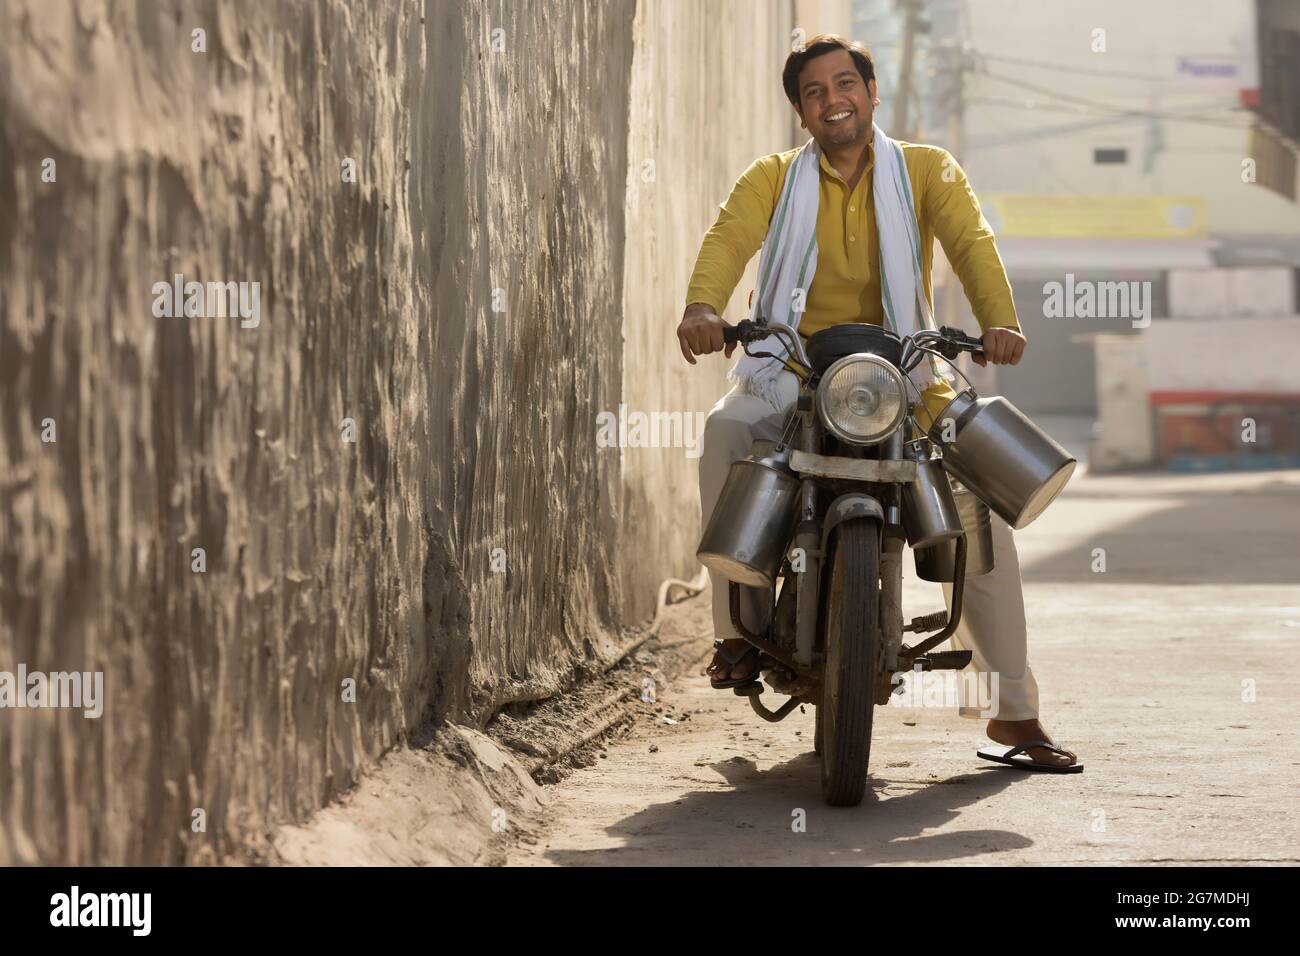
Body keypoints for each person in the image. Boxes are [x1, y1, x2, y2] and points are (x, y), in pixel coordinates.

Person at [676, 34, 1079, 771]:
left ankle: (1016, 712)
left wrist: (1000, 322)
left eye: (844, 84)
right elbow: (729, 236)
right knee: (724, 431)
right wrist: (705, 305)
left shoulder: (926, 170)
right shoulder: (772, 178)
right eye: (815, 92)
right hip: (793, 370)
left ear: (871, 91)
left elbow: (971, 240)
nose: (833, 100)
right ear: (802, 113)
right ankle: (736, 630)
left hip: (908, 374)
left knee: (977, 516)